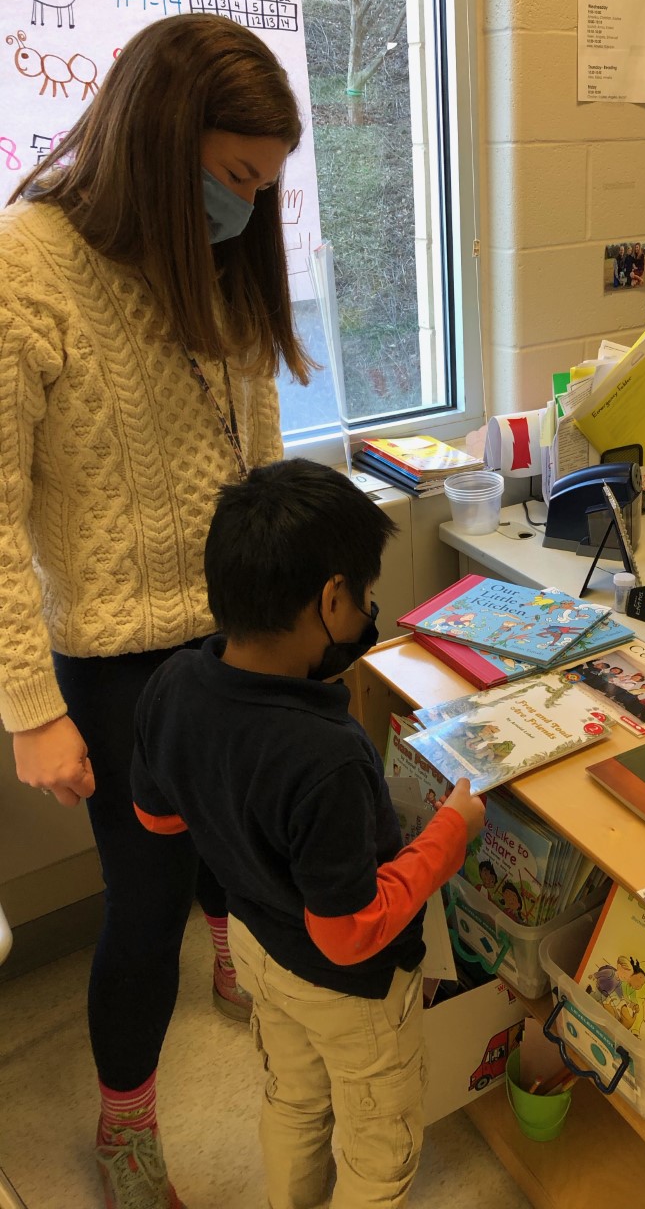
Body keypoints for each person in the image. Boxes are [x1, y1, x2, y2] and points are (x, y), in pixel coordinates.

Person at [0, 13, 313, 1208]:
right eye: (233, 178)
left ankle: (234, 955)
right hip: (121, 657)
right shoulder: (25, 265)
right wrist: (32, 706)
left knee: (252, 833)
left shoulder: (219, 257)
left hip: (236, 623)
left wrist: (299, 606)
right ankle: (125, 1119)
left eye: (263, 186)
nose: (245, 208)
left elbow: (259, 445)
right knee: (144, 900)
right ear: (158, 143)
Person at [131, 459, 486, 1208]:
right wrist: (448, 836)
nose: (365, 616)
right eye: (363, 599)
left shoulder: (172, 684)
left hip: (257, 948)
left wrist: (236, 808)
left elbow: (158, 816)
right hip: (350, 991)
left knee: (293, 1097)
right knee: (377, 1145)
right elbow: (348, 932)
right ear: (331, 600)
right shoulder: (326, 754)